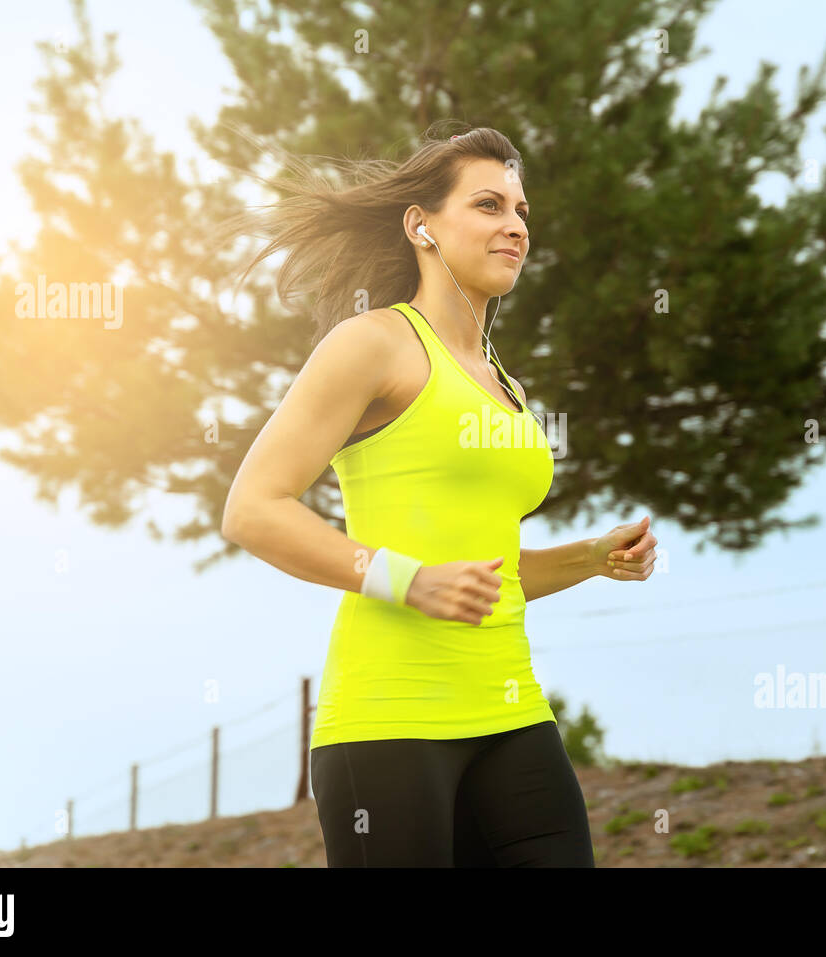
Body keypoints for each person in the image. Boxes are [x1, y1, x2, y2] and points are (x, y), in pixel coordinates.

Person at [218, 124, 657, 866]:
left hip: (513, 714)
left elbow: (485, 576)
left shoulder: (506, 385)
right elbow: (253, 508)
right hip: (388, 724)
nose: (515, 225)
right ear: (420, 225)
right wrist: (406, 578)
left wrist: (589, 557)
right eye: (488, 205)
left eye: (521, 211)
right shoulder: (375, 343)